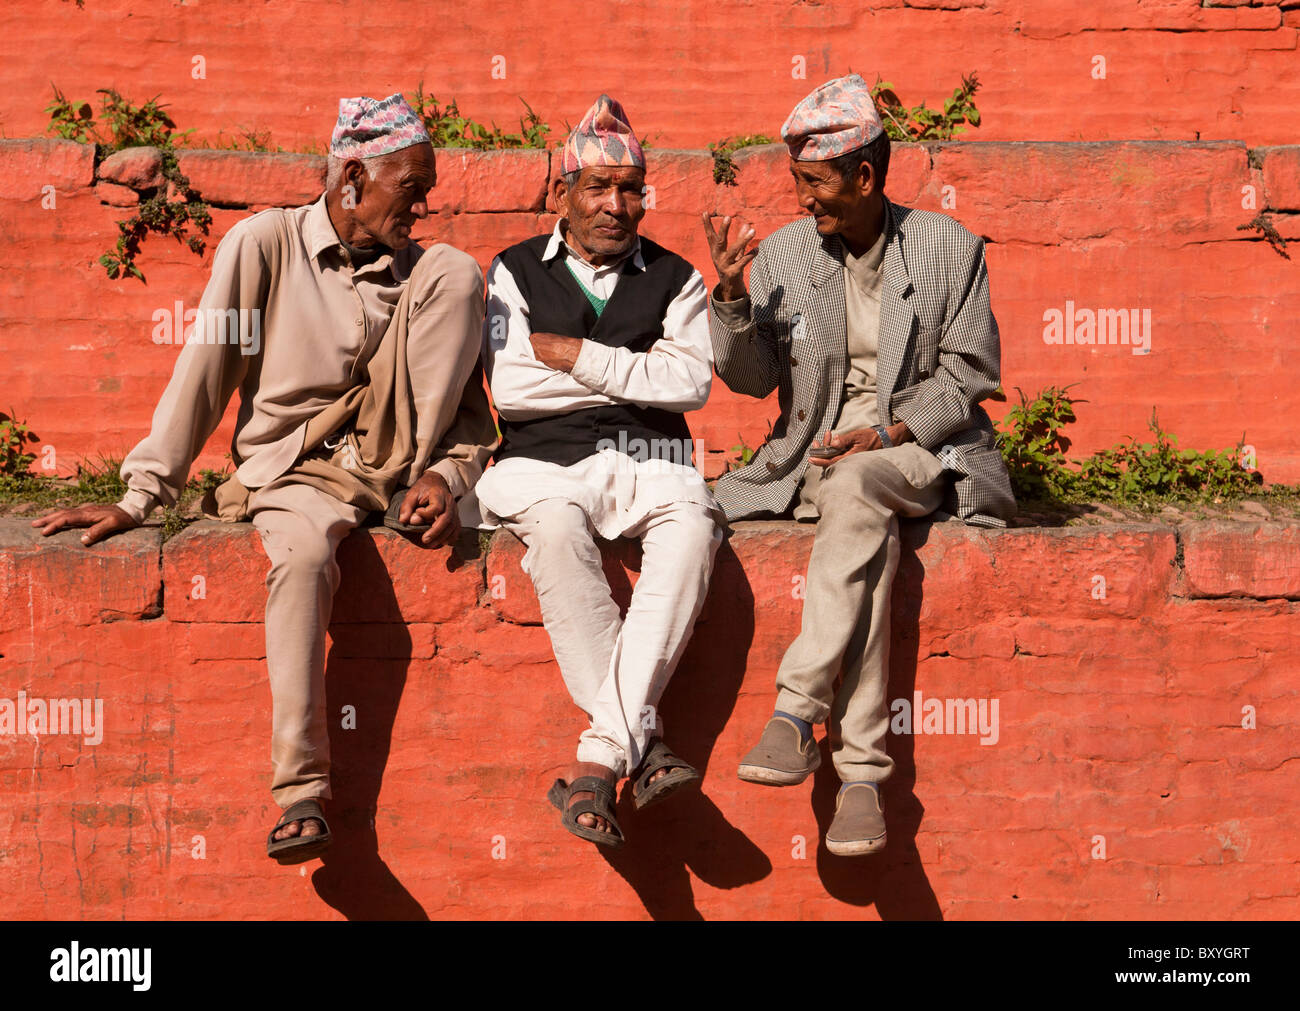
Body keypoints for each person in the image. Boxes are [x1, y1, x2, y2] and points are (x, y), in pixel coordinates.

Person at [32, 93, 497, 863]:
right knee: (306, 558)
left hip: (393, 468)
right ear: (352, 178)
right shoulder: (264, 244)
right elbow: (205, 370)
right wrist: (143, 492)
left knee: (456, 267)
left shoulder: (424, 274)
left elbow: (469, 414)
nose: (422, 206)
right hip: (296, 475)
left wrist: (447, 477)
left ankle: (410, 479)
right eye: (410, 188)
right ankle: (301, 790)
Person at [703, 73, 1015, 856]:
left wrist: (887, 433)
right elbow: (750, 381)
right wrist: (734, 301)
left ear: (865, 176)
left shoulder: (949, 248)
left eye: (815, 183)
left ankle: (796, 707)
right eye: (796, 182)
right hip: (816, 462)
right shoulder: (785, 254)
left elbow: (970, 373)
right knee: (861, 537)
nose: (802, 199)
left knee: (858, 484)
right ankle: (863, 779)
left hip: (921, 450)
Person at [472, 95, 723, 849]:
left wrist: (576, 356)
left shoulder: (677, 278)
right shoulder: (512, 271)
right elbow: (511, 386)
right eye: (598, 188)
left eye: (631, 189)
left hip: (653, 460)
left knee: (693, 529)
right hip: (542, 458)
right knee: (553, 532)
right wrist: (635, 370)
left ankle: (597, 760)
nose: (617, 206)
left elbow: (691, 384)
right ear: (562, 194)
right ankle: (640, 745)